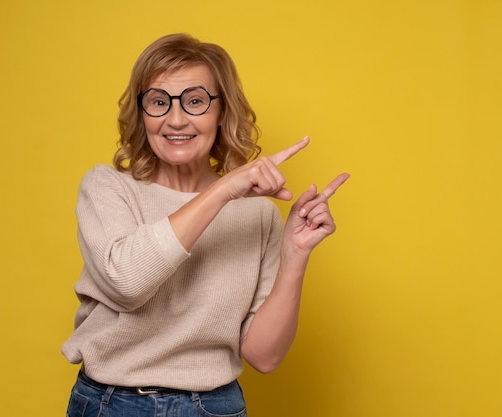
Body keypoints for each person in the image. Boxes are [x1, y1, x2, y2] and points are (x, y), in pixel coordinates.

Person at [62, 33, 349, 417]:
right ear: (142, 112)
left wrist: (295, 254)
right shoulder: (107, 187)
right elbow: (127, 283)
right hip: (111, 404)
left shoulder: (257, 214)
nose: (175, 119)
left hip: (213, 406)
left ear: (221, 112)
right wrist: (224, 189)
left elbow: (263, 355)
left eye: (195, 101)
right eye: (159, 102)